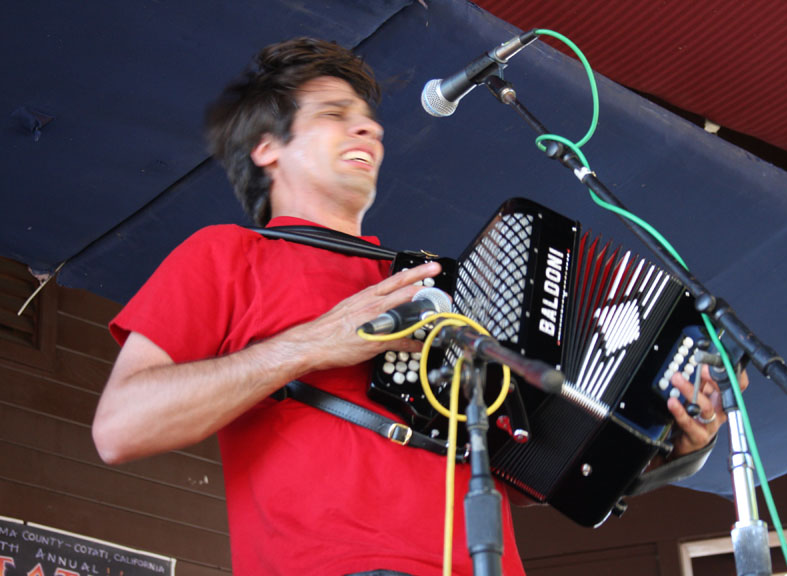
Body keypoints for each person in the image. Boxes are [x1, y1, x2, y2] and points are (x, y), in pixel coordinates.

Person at [92, 37, 741, 575]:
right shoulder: (227, 254)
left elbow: (538, 467)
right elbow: (121, 426)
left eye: (367, 117)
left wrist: (672, 444)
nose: (366, 125)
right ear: (267, 147)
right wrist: (312, 343)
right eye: (332, 112)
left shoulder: (444, 286)